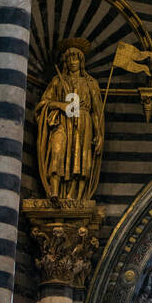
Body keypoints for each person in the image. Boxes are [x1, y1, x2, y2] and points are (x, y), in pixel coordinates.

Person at [35, 39, 104, 203]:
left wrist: (99, 134)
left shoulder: (90, 83)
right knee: (57, 153)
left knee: (80, 159)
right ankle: (54, 192)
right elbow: (43, 104)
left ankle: (77, 197)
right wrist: (61, 105)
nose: (73, 62)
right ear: (65, 61)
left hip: (83, 123)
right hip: (62, 123)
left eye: (76, 58)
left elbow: (96, 112)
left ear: (81, 62)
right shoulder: (57, 81)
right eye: (70, 59)